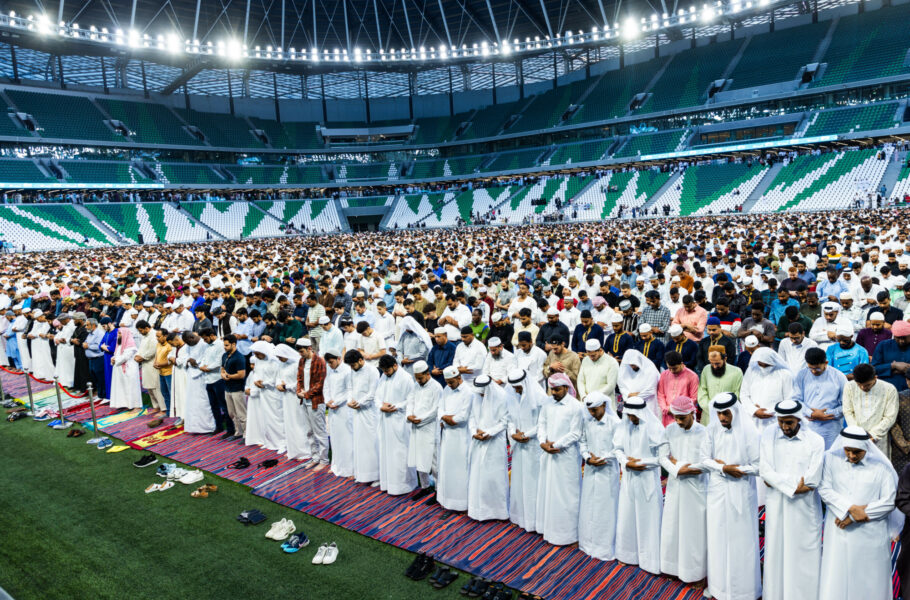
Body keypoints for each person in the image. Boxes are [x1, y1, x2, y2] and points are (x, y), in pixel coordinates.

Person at [818, 426, 900, 600]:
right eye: (847, 450)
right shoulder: (830, 460)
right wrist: (850, 508)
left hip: (870, 534)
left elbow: (890, 501)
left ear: (866, 448)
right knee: (837, 575)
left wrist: (854, 518)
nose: (851, 456)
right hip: (838, 531)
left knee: (869, 578)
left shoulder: (881, 467)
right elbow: (824, 490)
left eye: (857, 452)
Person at [759, 400, 825, 600]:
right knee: (776, 551)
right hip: (776, 505)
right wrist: (794, 485)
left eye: (789, 422)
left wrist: (777, 481)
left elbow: (812, 481)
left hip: (804, 508)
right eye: (781, 422)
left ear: (799, 419)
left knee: (802, 553)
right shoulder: (769, 434)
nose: (784, 427)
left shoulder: (815, 441)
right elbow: (765, 471)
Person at [700, 392, 762, 600]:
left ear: (734, 411)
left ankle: (743, 591)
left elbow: (759, 466)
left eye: (726, 413)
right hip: (717, 490)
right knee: (717, 537)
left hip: (741, 490)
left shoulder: (750, 431)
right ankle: (718, 587)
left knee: (741, 540)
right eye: (719, 414)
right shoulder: (711, 429)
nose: (722, 418)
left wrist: (738, 470)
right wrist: (723, 468)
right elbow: (703, 459)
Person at [659, 395, 708, 588]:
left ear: (692, 413)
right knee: (672, 527)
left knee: (693, 531)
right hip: (675, 484)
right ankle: (672, 568)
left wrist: (677, 465)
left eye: (682, 418)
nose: (678, 421)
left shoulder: (704, 432)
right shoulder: (670, 429)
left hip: (696, 488)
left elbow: (707, 463)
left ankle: (696, 573)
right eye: (676, 417)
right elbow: (662, 457)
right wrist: (679, 468)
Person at [613, 397, 664, 574]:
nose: (631, 418)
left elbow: (662, 458)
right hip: (629, 478)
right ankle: (628, 555)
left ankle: (650, 560)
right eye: (628, 415)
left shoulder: (655, 428)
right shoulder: (625, 425)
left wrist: (641, 463)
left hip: (647, 479)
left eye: (634, 415)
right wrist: (626, 462)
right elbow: (617, 449)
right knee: (627, 516)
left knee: (648, 519)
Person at [535, 373, 584, 545]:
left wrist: (556, 444)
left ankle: (567, 535)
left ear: (566, 387)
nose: (554, 393)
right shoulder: (547, 403)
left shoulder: (576, 406)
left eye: (557, 390)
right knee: (548, 491)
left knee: (566, 494)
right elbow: (541, 424)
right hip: (548, 453)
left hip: (566, 456)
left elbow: (576, 433)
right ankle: (549, 529)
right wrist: (542, 442)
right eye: (552, 390)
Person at [578, 390, 621, 561]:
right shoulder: (587, 421)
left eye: (595, 410)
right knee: (589, 505)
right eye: (589, 410)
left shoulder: (615, 423)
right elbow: (582, 442)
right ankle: (588, 543)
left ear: (604, 405)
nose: (592, 413)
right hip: (591, 469)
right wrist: (587, 457)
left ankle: (604, 547)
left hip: (607, 471)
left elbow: (619, 448)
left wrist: (603, 458)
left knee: (605, 509)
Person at [507, 369, 545, 532]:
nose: (516, 390)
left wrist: (526, 435)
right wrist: (513, 433)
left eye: (518, 387)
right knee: (518, 480)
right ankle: (519, 516)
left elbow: (542, 423)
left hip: (533, 445)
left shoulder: (540, 397)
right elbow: (509, 418)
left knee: (532, 482)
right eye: (514, 387)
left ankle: (534, 521)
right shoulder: (512, 395)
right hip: (518, 444)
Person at [466, 375, 509, 521]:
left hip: (495, 441)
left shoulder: (502, 396)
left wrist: (489, 433)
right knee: (477, 476)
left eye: (483, 394)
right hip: (478, 440)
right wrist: (474, 431)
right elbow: (471, 417)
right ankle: (477, 511)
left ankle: (497, 512)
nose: (481, 396)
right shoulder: (475, 395)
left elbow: (505, 421)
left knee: (494, 476)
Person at [376, 354, 417, 495]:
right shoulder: (384, 376)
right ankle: (388, 484)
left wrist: (395, 406)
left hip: (400, 421)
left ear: (395, 365)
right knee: (386, 452)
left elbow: (411, 400)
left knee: (400, 453)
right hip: (385, 420)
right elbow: (377, 396)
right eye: (383, 371)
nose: (385, 373)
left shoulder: (406, 378)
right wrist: (381, 405)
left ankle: (404, 485)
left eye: (387, 370)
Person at [436, 365, 475, 516]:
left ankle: (461, 503)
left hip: (461, 436)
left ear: (459, 378)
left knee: (460, 470)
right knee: (447, 467)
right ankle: (447, 500)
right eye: (447, 382)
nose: (449, 385)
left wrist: (448, 418)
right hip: (447, 435)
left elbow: (463, 416)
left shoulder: (468, 392)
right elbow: (440, 408)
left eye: (451, 382)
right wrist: (446, 417)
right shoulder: (446, 389)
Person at [793, 347, 847, 449]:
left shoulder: (839, 377)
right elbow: (796, 400)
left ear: (826, 363)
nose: (814, 371)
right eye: (810, 368)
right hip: (807, 425)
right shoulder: (801, 375)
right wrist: (811, 413)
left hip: (831, 428)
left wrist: (826, 414)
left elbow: (847, 405)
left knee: (830, 455)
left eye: (817, 368)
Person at [844, 363, 899, 456]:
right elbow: (848, 412)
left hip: (878, 438)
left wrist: (873, 435)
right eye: (859, 385)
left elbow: (890, 417)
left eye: (867, 385)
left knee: (879, 463)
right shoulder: (849, 386)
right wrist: (858, 433)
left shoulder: (889, 389)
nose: (863, 388)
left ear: (875, 378)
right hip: (856, 437)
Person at [345, 349, 380, 485]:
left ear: (360, 360)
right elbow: (349, 389)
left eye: (353, 365)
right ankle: (362, 474)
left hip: (369, 413)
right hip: (356, 412)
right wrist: (350, 400)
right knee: (359, 444)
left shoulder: (372, 371)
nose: (351, 368)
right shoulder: (352, 371)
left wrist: (359, 403)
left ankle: (376, 476)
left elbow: (373, 393)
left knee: (371, 443)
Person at [406, 360, 441, 498]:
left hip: (430, 428)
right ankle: (425, 486)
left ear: (427, 374)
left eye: (420, 378)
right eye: (416, 378)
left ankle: (438, 490)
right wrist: (409, 415)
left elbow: (436, 410)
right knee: (419, 459)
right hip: (416, 428)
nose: (418, 381)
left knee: (433, 462)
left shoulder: (436, 387)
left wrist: (420, 419)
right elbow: (410, 401)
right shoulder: (415, 386)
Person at [740, 347, 793, 433]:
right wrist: (753, 410)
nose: (763, 368)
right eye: (761, 365)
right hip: (754, 419)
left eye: (767, 365)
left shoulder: (785, 374)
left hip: (775, 419)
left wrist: (770, 411)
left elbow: (789, 399)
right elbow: (744, 394)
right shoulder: (751, 371)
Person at [297, 338, 329, 468]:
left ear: (309, 348)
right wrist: (299, 391)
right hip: (305, 401)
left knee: (320, 432)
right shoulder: (301, 360)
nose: (301, 354)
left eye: (302, 351)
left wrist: (306, 394)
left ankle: (324, 460)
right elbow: (299, 378)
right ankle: (315, 457)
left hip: (317, 401)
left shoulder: (320, 361)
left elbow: (320, 384)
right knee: (309, 432)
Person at [324, 351, 354, 478]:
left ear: (338, 359)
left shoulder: (347, 371)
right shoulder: (330, 371)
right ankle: (337, 465)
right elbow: (326, 387)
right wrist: (327, 401)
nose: (330, 365)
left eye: (331, 362)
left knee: (346, 439)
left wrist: (336, 402)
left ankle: (350, 469)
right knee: (335, 438)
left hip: (344, 409)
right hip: (333, 409)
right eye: (328, 363)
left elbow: (349, 391)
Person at [696, 346, 743, 424]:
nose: (714, 366)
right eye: (711, 363)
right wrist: (712, 409)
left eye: (717, 363)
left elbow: (737, 394)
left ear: (725, 359)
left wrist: (723, 410)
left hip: (728, 414)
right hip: (708, 415)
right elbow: (702, 392)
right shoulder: (706, 370)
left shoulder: (737, 372)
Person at [198, 328, 229, 436]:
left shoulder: (220, 345)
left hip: (218, 378)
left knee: (223, 405)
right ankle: (219, 426)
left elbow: (219, 361)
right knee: (213, 405)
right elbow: (203, 359)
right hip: (208, 379)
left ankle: (230, 429)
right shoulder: (207, 346)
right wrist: (201, 366)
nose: (204, 340)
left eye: (205, 338)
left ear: (212, 335)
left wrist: (208, 368)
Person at [656, 351, 699, 426]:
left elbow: (694, 398)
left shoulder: (692, 376)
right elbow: (660, 394)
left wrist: (677, 410)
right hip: (667, 414)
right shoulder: (664, 374)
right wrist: (665, 409)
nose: (672, 371)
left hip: (684, 415)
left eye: (675, 368)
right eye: (669, 368)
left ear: (681, 364)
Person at [576, 338, 619, 410]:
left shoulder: (612, 362)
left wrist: (594, 397)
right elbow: (580, 380)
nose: (591, 358)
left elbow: (611, 385)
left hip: (604, 404)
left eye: (593, 355)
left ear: (600, 350)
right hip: (587, 402)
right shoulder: (586, 360)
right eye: (589, 355)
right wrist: (583, 396)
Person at [220, 334, 248, 440]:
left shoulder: (239, 357)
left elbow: (241, 374)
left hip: (237, 389)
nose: (225, 347)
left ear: (234, 344)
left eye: (227, 345)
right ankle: (238, 432)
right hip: (227, 388)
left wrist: (229, 376)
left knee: (241, 414)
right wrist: (223, 375)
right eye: (224, 345)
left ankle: (246, 435)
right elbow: (222, 369)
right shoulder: (224, 355)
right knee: (232, 413)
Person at [872, 319, 910, 392]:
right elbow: (874, 369)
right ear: (894, 336)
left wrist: (907, 370)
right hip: (886, 389)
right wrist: (893, 365)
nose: (901, 341)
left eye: (904, 338)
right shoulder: (883, 345)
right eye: (898, 338)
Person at [109, 326, 142, 410]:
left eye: (120, 333)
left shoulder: (131, 346)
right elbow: (116, 355)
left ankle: (136, 407)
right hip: (120, 370)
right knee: (122, 388)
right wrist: (113, 359)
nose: (118, 335)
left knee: (131, 388)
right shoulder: (119, 345)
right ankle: (126, 405)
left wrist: (115, 360)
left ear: (125, 334)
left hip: (129, 370)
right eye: (118, 333)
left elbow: (125, 357)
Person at [53, 313, 76, 389]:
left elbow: (74, 337)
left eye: (61, 321)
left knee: (70, 367)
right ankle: (66, 382)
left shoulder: (72, 325)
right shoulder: (65, 326)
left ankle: (72, 383)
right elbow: (60, 334)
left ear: (66, 319)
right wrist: (57, 339)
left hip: (70, 348)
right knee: (65, 367)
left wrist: (66, 340)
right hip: (63, 349)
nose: (61, 323)